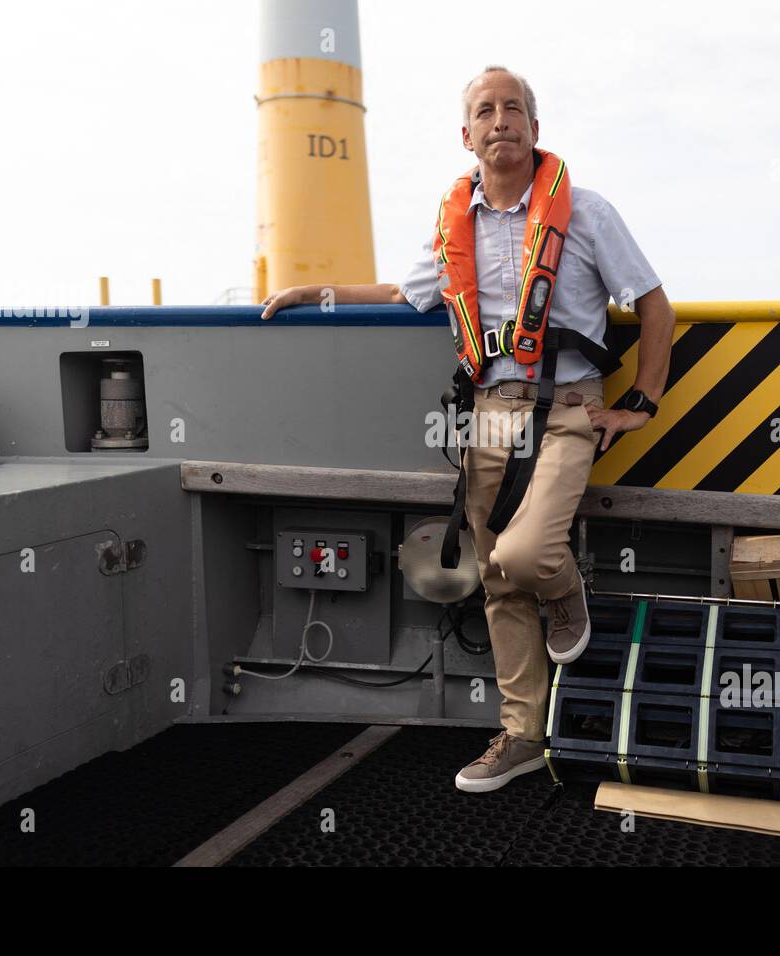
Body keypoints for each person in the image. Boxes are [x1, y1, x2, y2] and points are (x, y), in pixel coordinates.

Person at [262, 65, 674, 793]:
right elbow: (403, 293)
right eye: (486, 111)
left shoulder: (588, 213)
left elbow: (652, 304)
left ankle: (567, 592)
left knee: (524, 554)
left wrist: (640, 400)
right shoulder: (457, 221)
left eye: (514, 108)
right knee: (496, 580)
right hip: (488, 413)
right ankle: (521, 738)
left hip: (566, 410)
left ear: (535, 129)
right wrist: (315, 291)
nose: (501, 119)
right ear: (468, 135)